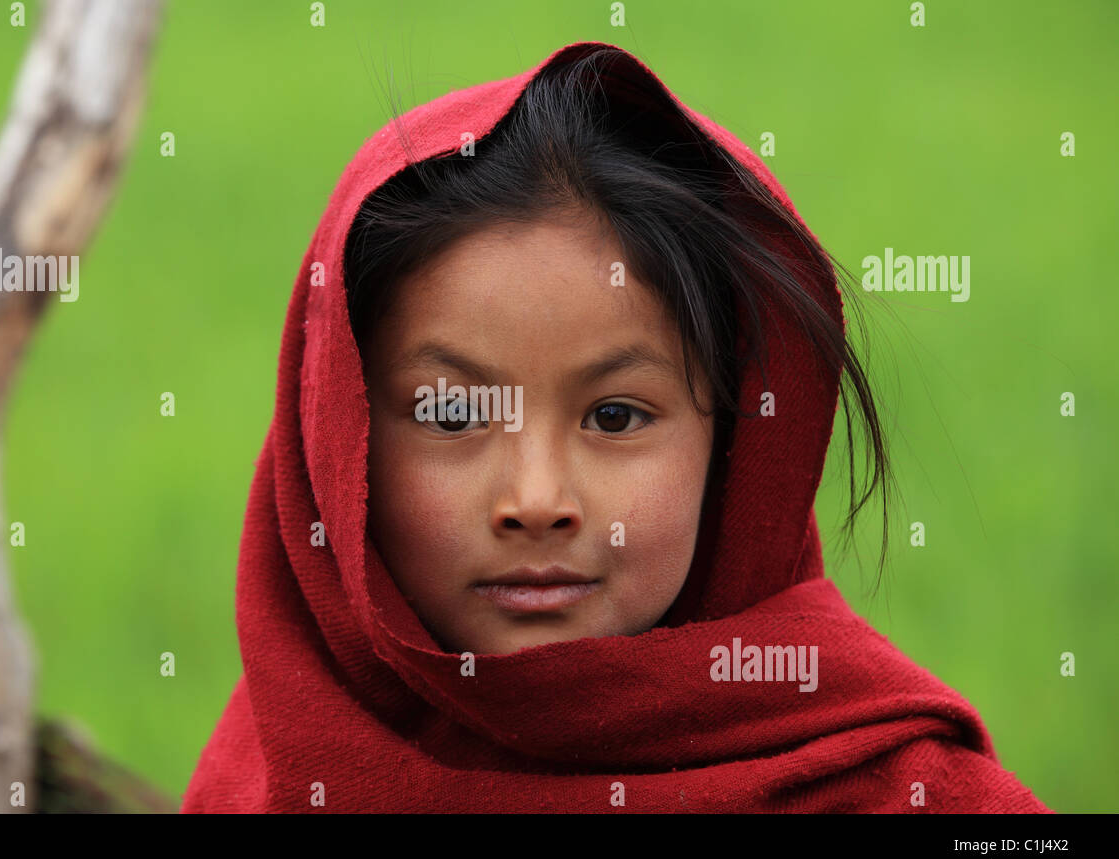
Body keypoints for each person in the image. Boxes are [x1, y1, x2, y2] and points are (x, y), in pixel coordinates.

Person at [181, 41, 1053, 813]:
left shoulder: (905, 796)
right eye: (452, 411)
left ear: (735, 445)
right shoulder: (279, 761)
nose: (536, 500)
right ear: (338, 442)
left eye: (615, 415)